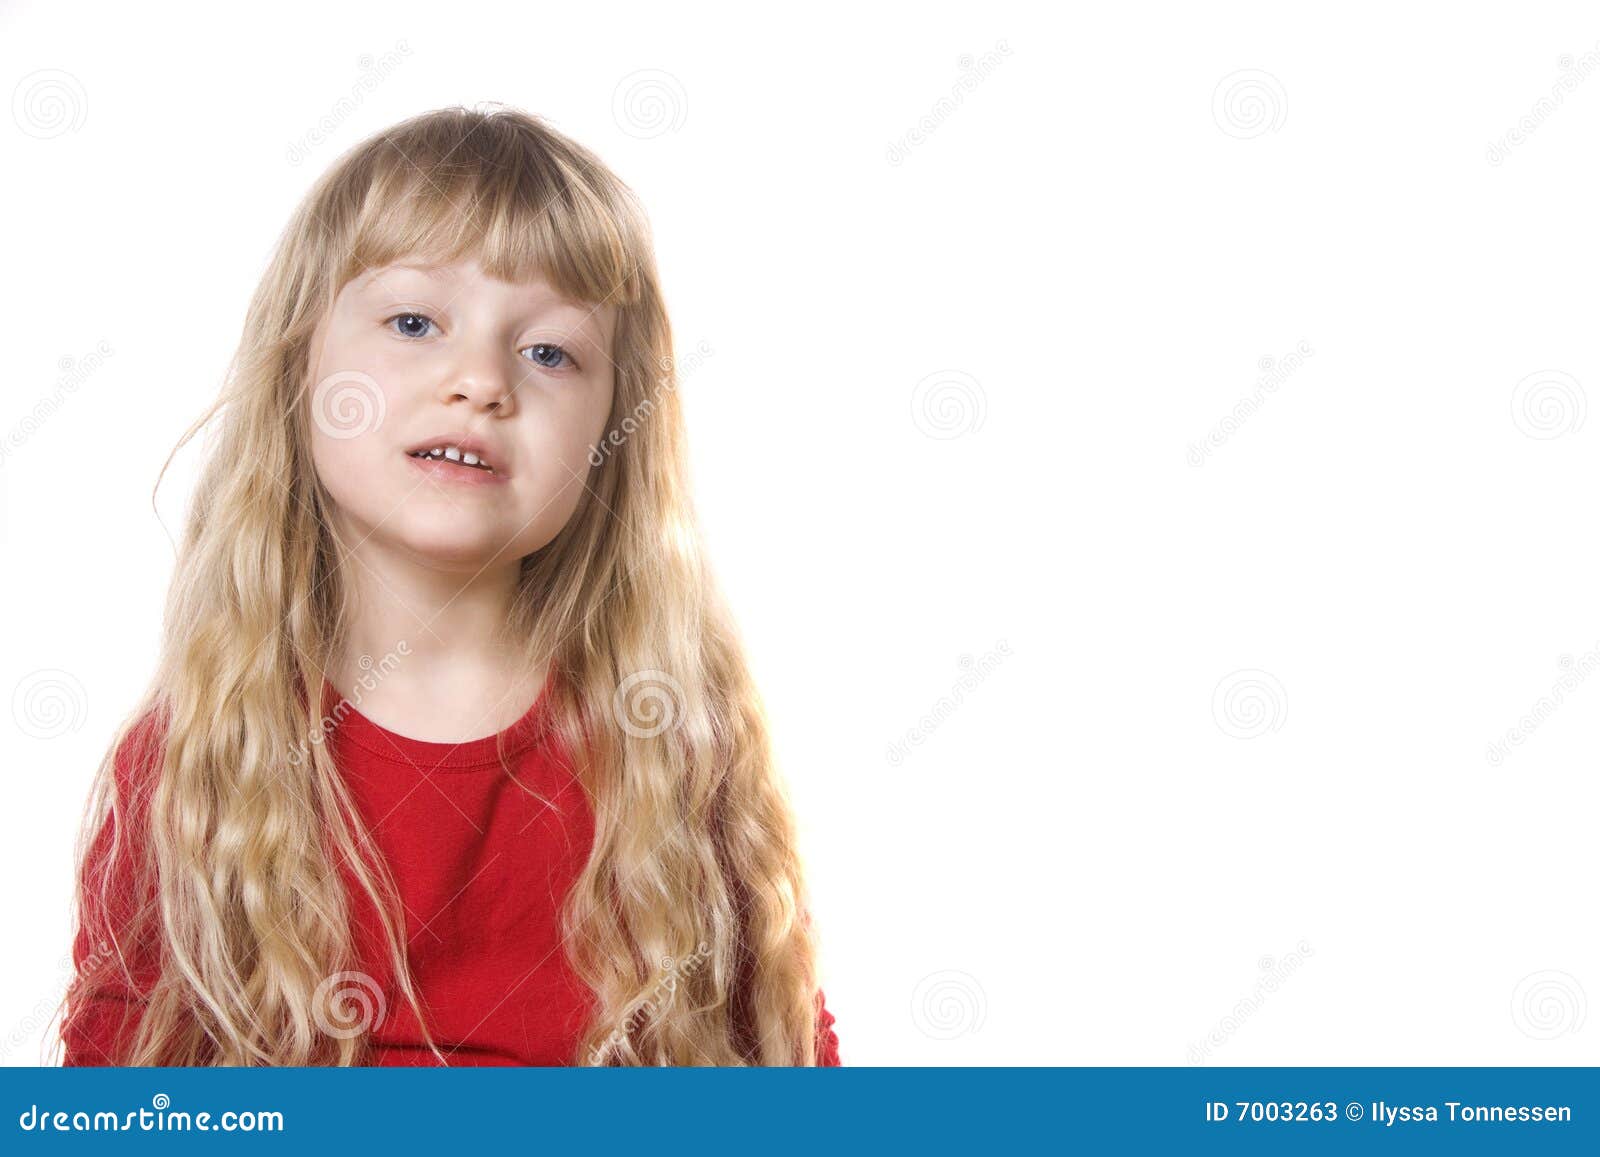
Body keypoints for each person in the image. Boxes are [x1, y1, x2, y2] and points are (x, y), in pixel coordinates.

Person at [56, 105, 840, 1067]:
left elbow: (790, 1055)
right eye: (415, 322)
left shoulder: (670, 744)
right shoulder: (204, 757)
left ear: (611, 439)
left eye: (548, 352)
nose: (479, 380)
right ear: (299, 368)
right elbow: (109, 1093)